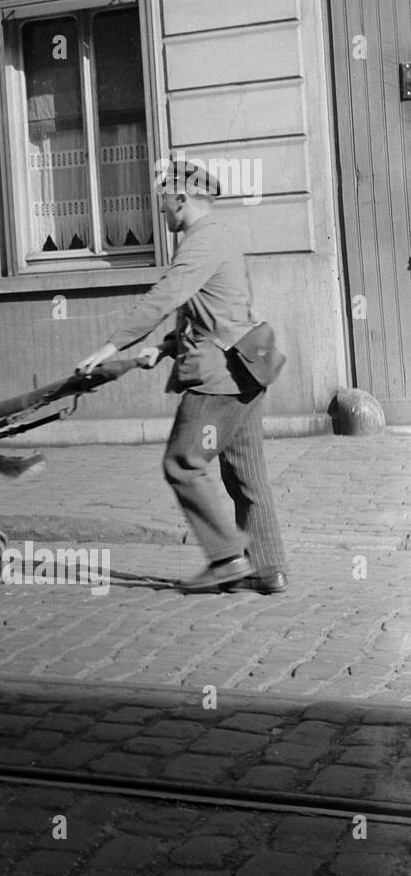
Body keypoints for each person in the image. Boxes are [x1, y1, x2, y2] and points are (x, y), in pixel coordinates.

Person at [75, 161, 287, 595]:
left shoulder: (198, 242)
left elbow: (165, 296)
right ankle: (268, 570)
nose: (161, 213)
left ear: (180, 198)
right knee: (247, 477)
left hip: (217, 379)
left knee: (182, 463)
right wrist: (167, 346)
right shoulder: (221, 237)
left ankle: (226, 559)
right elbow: (212, 309)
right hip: (247, 373)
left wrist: (110, 347)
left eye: (163, 203)